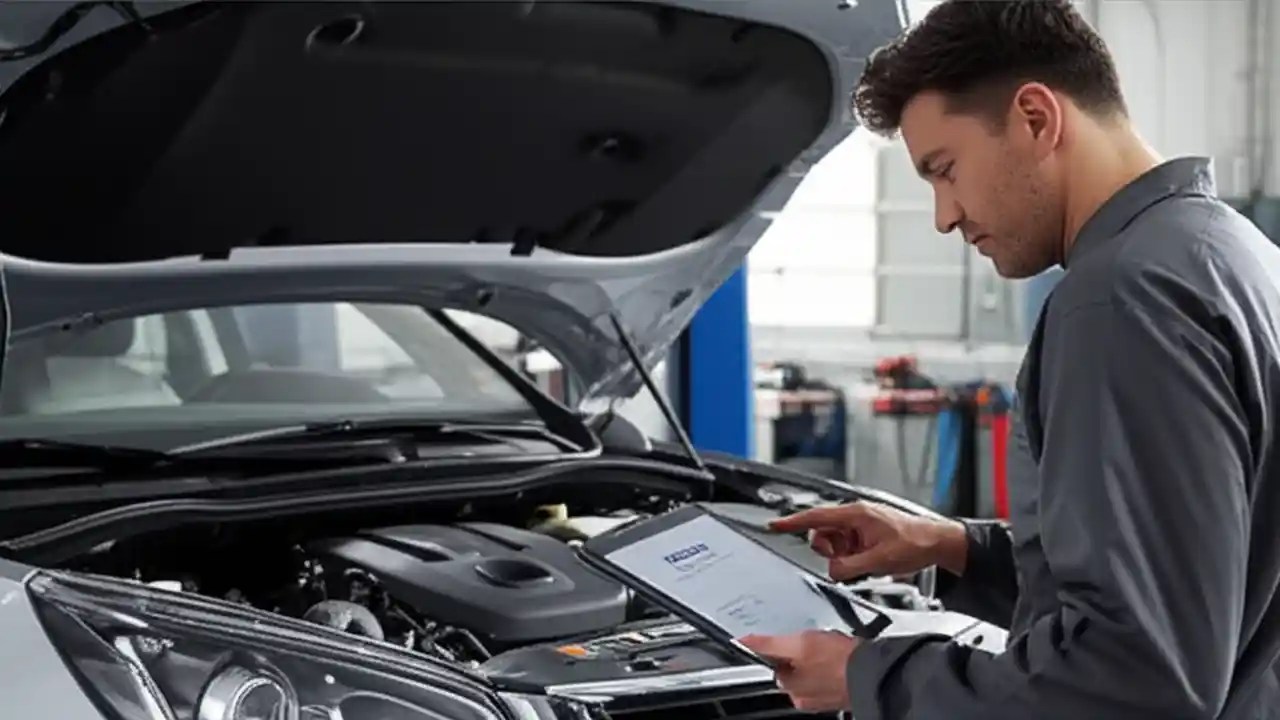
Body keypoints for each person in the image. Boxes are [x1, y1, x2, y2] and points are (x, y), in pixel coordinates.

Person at [737, 1, 1280, 718]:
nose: (944, 215)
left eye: (945, 169)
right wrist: (952, 546)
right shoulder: (1228, 252)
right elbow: (1188, 574)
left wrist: (869, 677)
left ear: (1035, 117)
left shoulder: (1120, 299)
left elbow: (1134, 678)